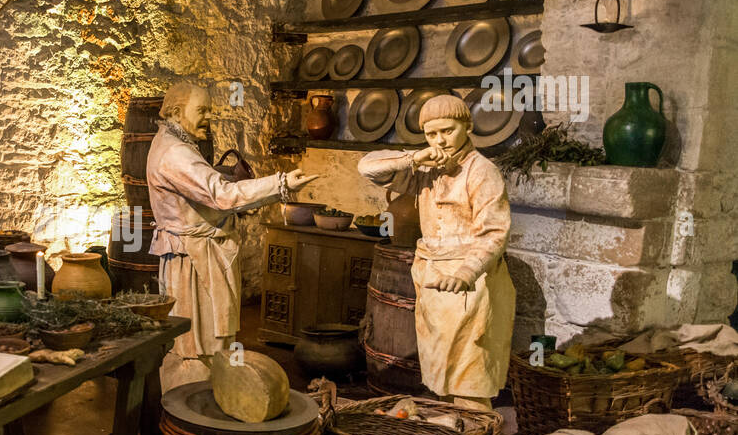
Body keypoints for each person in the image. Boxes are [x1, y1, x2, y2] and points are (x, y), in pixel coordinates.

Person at [147, 82, 318, 389]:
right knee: (198, 346)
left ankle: (202, 409)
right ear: (176, 112)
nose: (209, 117)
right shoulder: (174, 153)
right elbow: (221, 195)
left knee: (208, 343)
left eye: (210, 110)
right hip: (194, 263)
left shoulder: (175, 144)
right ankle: (194, 414)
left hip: (198, 255)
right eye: (202, 110)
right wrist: (280, 185)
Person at [357, 94, 515, 409]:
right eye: (432, 134)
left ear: (467, 126)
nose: (440, 140)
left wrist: (467, 271)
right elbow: (367, 168)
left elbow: (495, 232)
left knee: (470, 378)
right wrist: (415, 159)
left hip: (472, 286)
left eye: (448, 130)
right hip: (433, 283)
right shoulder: (425, 170)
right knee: (440, 375)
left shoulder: (482, 171)